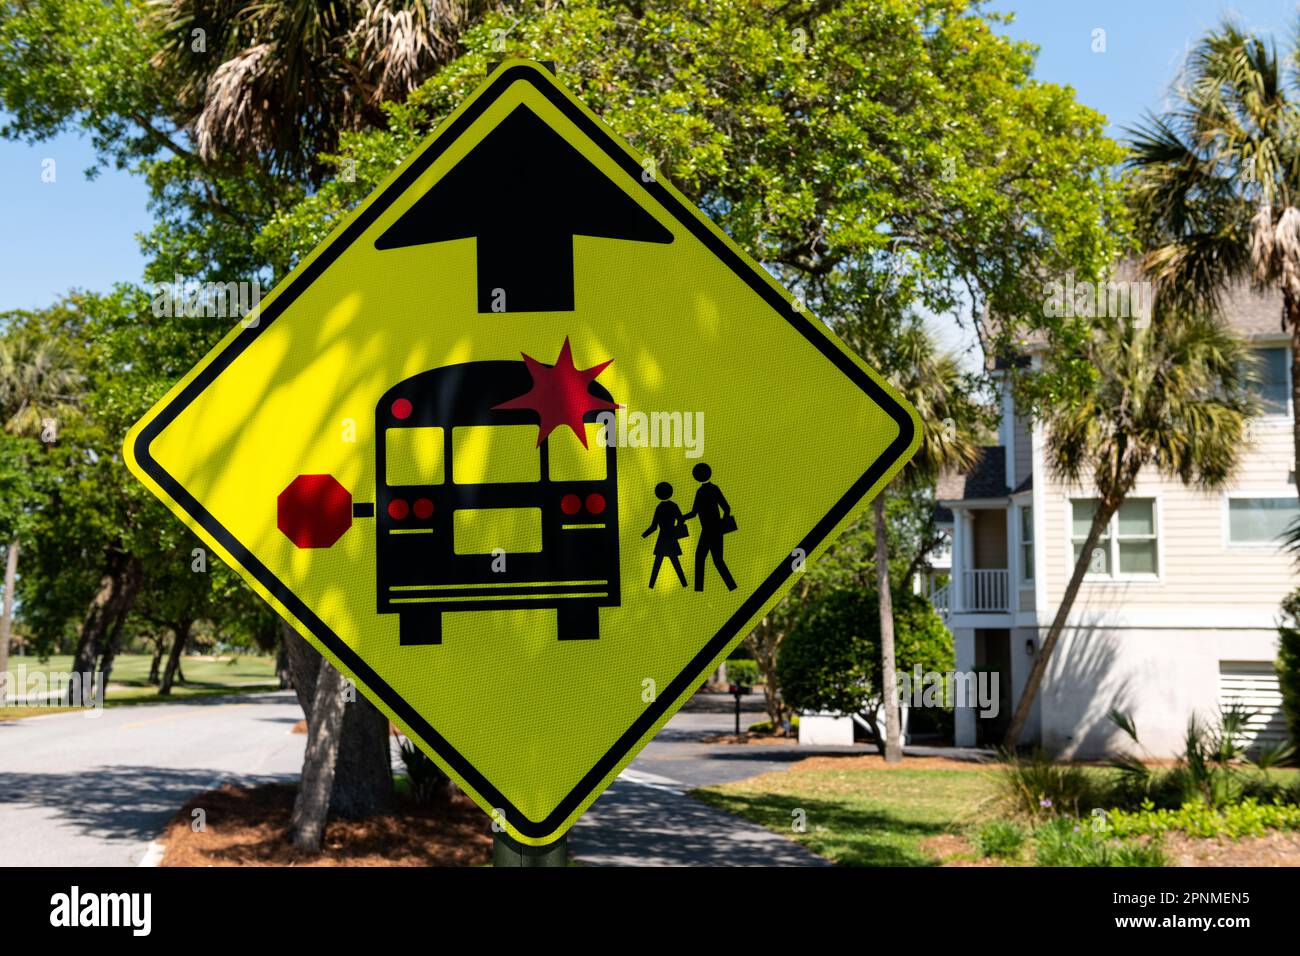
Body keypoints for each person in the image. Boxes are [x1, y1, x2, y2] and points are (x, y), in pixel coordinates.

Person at [683, 463, 736, 592]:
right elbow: (726, 508)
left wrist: (681, 518)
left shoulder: (701, 491)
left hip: (708, 530)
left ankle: (699, 589)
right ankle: (731, 587)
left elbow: (694, 513)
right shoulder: (713, 489)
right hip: (714, 530)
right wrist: (721, 525)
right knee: (715, 560)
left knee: (702, 557)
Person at [642, 481, 688, 588]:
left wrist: (643, 535)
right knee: (676, 563)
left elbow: (654, 526)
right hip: (671, 537)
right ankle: (684, 584)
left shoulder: (659, 507)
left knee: (657, 564)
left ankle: (651, 585)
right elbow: (681, 520)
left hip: (662, 538)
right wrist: (676, 528)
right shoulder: (674, 506)